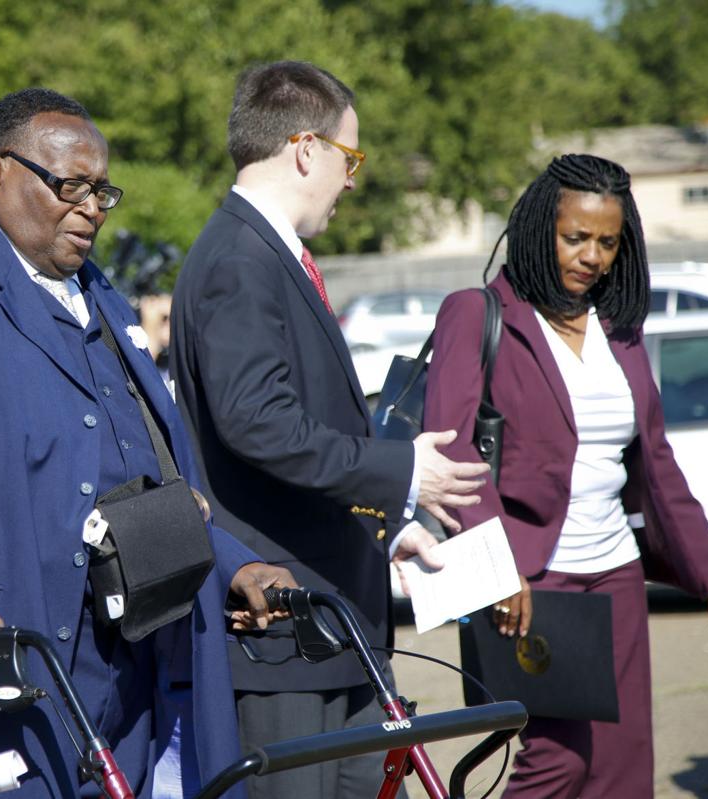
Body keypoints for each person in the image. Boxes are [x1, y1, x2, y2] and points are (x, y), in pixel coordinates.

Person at [0, 87, 293, 799]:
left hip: (119, 698)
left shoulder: (102, 294)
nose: (92, 207)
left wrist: (230, 564)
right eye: (70, 185)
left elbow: (145, 475)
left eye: (102, 190)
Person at [169, 60, 491, 799]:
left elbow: (297, 427)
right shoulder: (239, 259)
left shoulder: (269, 253)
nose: (353, 179)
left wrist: (381, 519)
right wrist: (399, 469)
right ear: (306, 149)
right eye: (351, 157)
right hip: (284, 633)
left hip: (331, 628)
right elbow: (257, 421)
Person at [424, 153, 708, 799]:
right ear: (542, 228)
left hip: (615, 571)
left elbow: (654, 457)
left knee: (622, 770)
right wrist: (494, 568)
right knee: (557, 762)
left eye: (607, 241)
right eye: (576, 237)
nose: (592, 255)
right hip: (531, 578)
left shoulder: (619, 328)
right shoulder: (476, 312)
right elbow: (451, 453)